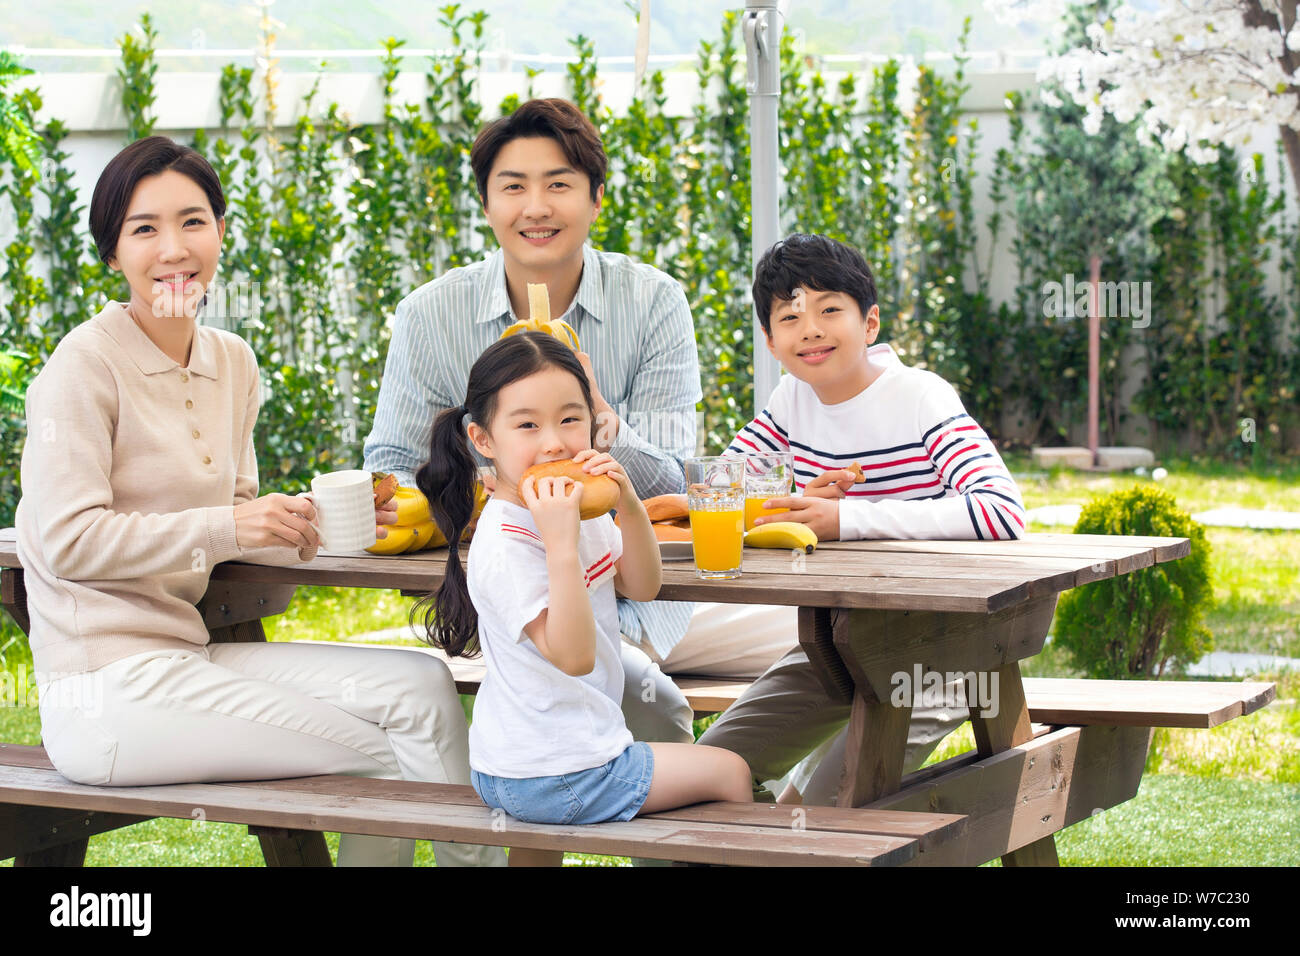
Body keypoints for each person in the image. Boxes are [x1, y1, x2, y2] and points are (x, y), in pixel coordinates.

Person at [15, 135, 502, 866]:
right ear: (112, 254)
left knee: (423, 688)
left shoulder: (231, 362)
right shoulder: (82, 368)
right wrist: (229, 522)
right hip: (107, 689)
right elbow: (64, 540)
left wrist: (316, 520)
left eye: (193, 221)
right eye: (144, 229)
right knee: (397, 757)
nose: (173, 248)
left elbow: (235, 515)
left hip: (190, 655)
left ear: (219, 231)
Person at [364, 97, 799, 757]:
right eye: (513, 187)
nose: (535, 207)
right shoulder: (431, 315)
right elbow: (393, 467)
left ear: (597, 199)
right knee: (639, 696)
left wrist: (600, 420)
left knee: (818, 650)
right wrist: (504, 495)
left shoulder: (653, 303)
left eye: (559, 184)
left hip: (636, 595)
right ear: (487, 205)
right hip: (501, 598)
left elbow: (678, 481)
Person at [696, 233, 1027, 805]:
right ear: (771, 340)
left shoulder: (920, 396)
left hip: (943, 651)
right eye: (790, 317)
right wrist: (801, 497)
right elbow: (720, 493)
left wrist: (846, 518)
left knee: (824, 809)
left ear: (870, 323)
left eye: (830, 310)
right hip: (839, 646)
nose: (812, 329)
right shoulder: (790, 402)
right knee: (703, 774)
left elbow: (1000, 511)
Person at [414, 331, 751, 865]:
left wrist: (631, 503)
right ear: (483, 439)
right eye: (527, 425)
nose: (553, 442)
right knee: (730, 771)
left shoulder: (581, 508)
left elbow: (642, 586)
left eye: (570, 419)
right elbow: (574, 657)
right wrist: (560, 546)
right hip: (559, 771)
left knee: (539, 849)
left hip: (527, 767)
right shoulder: (506, 540)